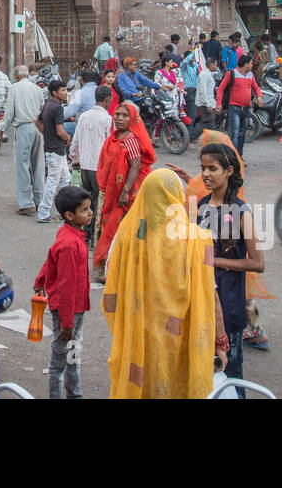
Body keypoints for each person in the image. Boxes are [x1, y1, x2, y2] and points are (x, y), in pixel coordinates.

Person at [102, 167, 221, 398]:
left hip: (139, 332)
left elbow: (110, 277)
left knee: (141, 380)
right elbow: (210, 293)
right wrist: (221, 340)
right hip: (177, 335)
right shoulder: (195, 240)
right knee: (173, 379)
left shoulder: (127, 235)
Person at [196, 143, 265, 395]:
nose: (205, 174)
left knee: (231, 373)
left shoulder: (241, 212)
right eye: (202, 167)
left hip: (228, 304)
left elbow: (258, 263)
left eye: (212, 168)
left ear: (228, 171)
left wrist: (215, 262)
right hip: (203, 302)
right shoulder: (202, 205)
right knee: (207, 372)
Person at [34, 185, 93, 399]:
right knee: (60, 359)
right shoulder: (69, 243)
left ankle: (74, 393)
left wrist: (40, 278)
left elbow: (51, 259)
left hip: (77, 308)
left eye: (89, 208)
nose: (90, 213)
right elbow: (66, 285)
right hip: (68, 311)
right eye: (84, 210)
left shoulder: (71, 233)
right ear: (69, 215)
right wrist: (67, 323)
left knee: (74, 353)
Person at [92, 102, 156, 274]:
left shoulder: (131, 140)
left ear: (133, 119)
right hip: (110, 191)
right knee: (107, 226)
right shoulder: (115, 137)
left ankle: (117, 270)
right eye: (118, 114)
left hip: (123, 194)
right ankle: (106, 267)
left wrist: (126, 191)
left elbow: (135, 167)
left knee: (120, 230)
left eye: (125, 115)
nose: (119, 118)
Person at [69, 85, 113, 255]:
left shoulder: (84, 116)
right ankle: (94, 237)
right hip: (99, 168)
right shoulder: (107, 119)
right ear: (108, 100)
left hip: (84, 167)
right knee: (96, 204)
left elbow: (76, 140)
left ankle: (84, 235)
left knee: (85, 203)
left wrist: (74, 158)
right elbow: (110, 145)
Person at [0, 66, 46, 217]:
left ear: (16, 75)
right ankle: (40, 200)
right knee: (38, 165)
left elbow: (10, 112)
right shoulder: (37, 89)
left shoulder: (14, 88)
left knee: (22, 166)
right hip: (37, 127)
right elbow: (42, 108)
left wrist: (1, 129)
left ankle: (26, 203)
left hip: (24, 128)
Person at [36, 81, 72, 223]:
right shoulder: (57, 108)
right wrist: (68, 138)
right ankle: (43, 212)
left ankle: (62, 209)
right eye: (62, 90)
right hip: (56, 149)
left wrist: (47, 134)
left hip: (55, 149)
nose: (65, 93)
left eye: (65, 90)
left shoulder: (47, 104)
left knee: (65, 178)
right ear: (55, 93)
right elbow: (60, 131)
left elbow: (38, 122)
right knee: (52, 181)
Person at [215, 54, 263, 156]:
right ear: (245, 64)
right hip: (234, 108)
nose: (252, 65)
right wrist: (219, 103)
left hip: (246, 108)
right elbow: (221, 89)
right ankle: (234, 157)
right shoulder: (231, 73)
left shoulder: (250, 75)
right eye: (250, 63)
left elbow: (256, 87)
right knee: (235, 134)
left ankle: (239, 157)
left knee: (242, 134)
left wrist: (259, 96)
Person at [194, 56, 220, 133]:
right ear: (211, 65)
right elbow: (203, 91)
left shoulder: (210, 74)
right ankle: (192, 136)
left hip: (210, 102)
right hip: (205, 104)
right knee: (209, 123)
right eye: (215, 65)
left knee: (208, 123)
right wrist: (208, 104)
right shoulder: (204, 75)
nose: (216, 66)